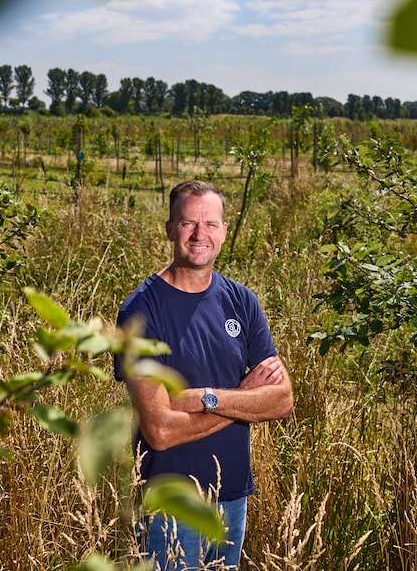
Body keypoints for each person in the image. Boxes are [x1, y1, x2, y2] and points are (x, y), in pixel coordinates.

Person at [115, 179, 294, 570]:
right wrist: (244, 399)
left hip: (232, 498)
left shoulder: (241, 301)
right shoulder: (141, 310)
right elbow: (160, 431)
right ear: (169, 228)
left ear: (224, 231)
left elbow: (282, 400)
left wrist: (205, 397)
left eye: (211, 224)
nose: (200, 235)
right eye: (187, 224)